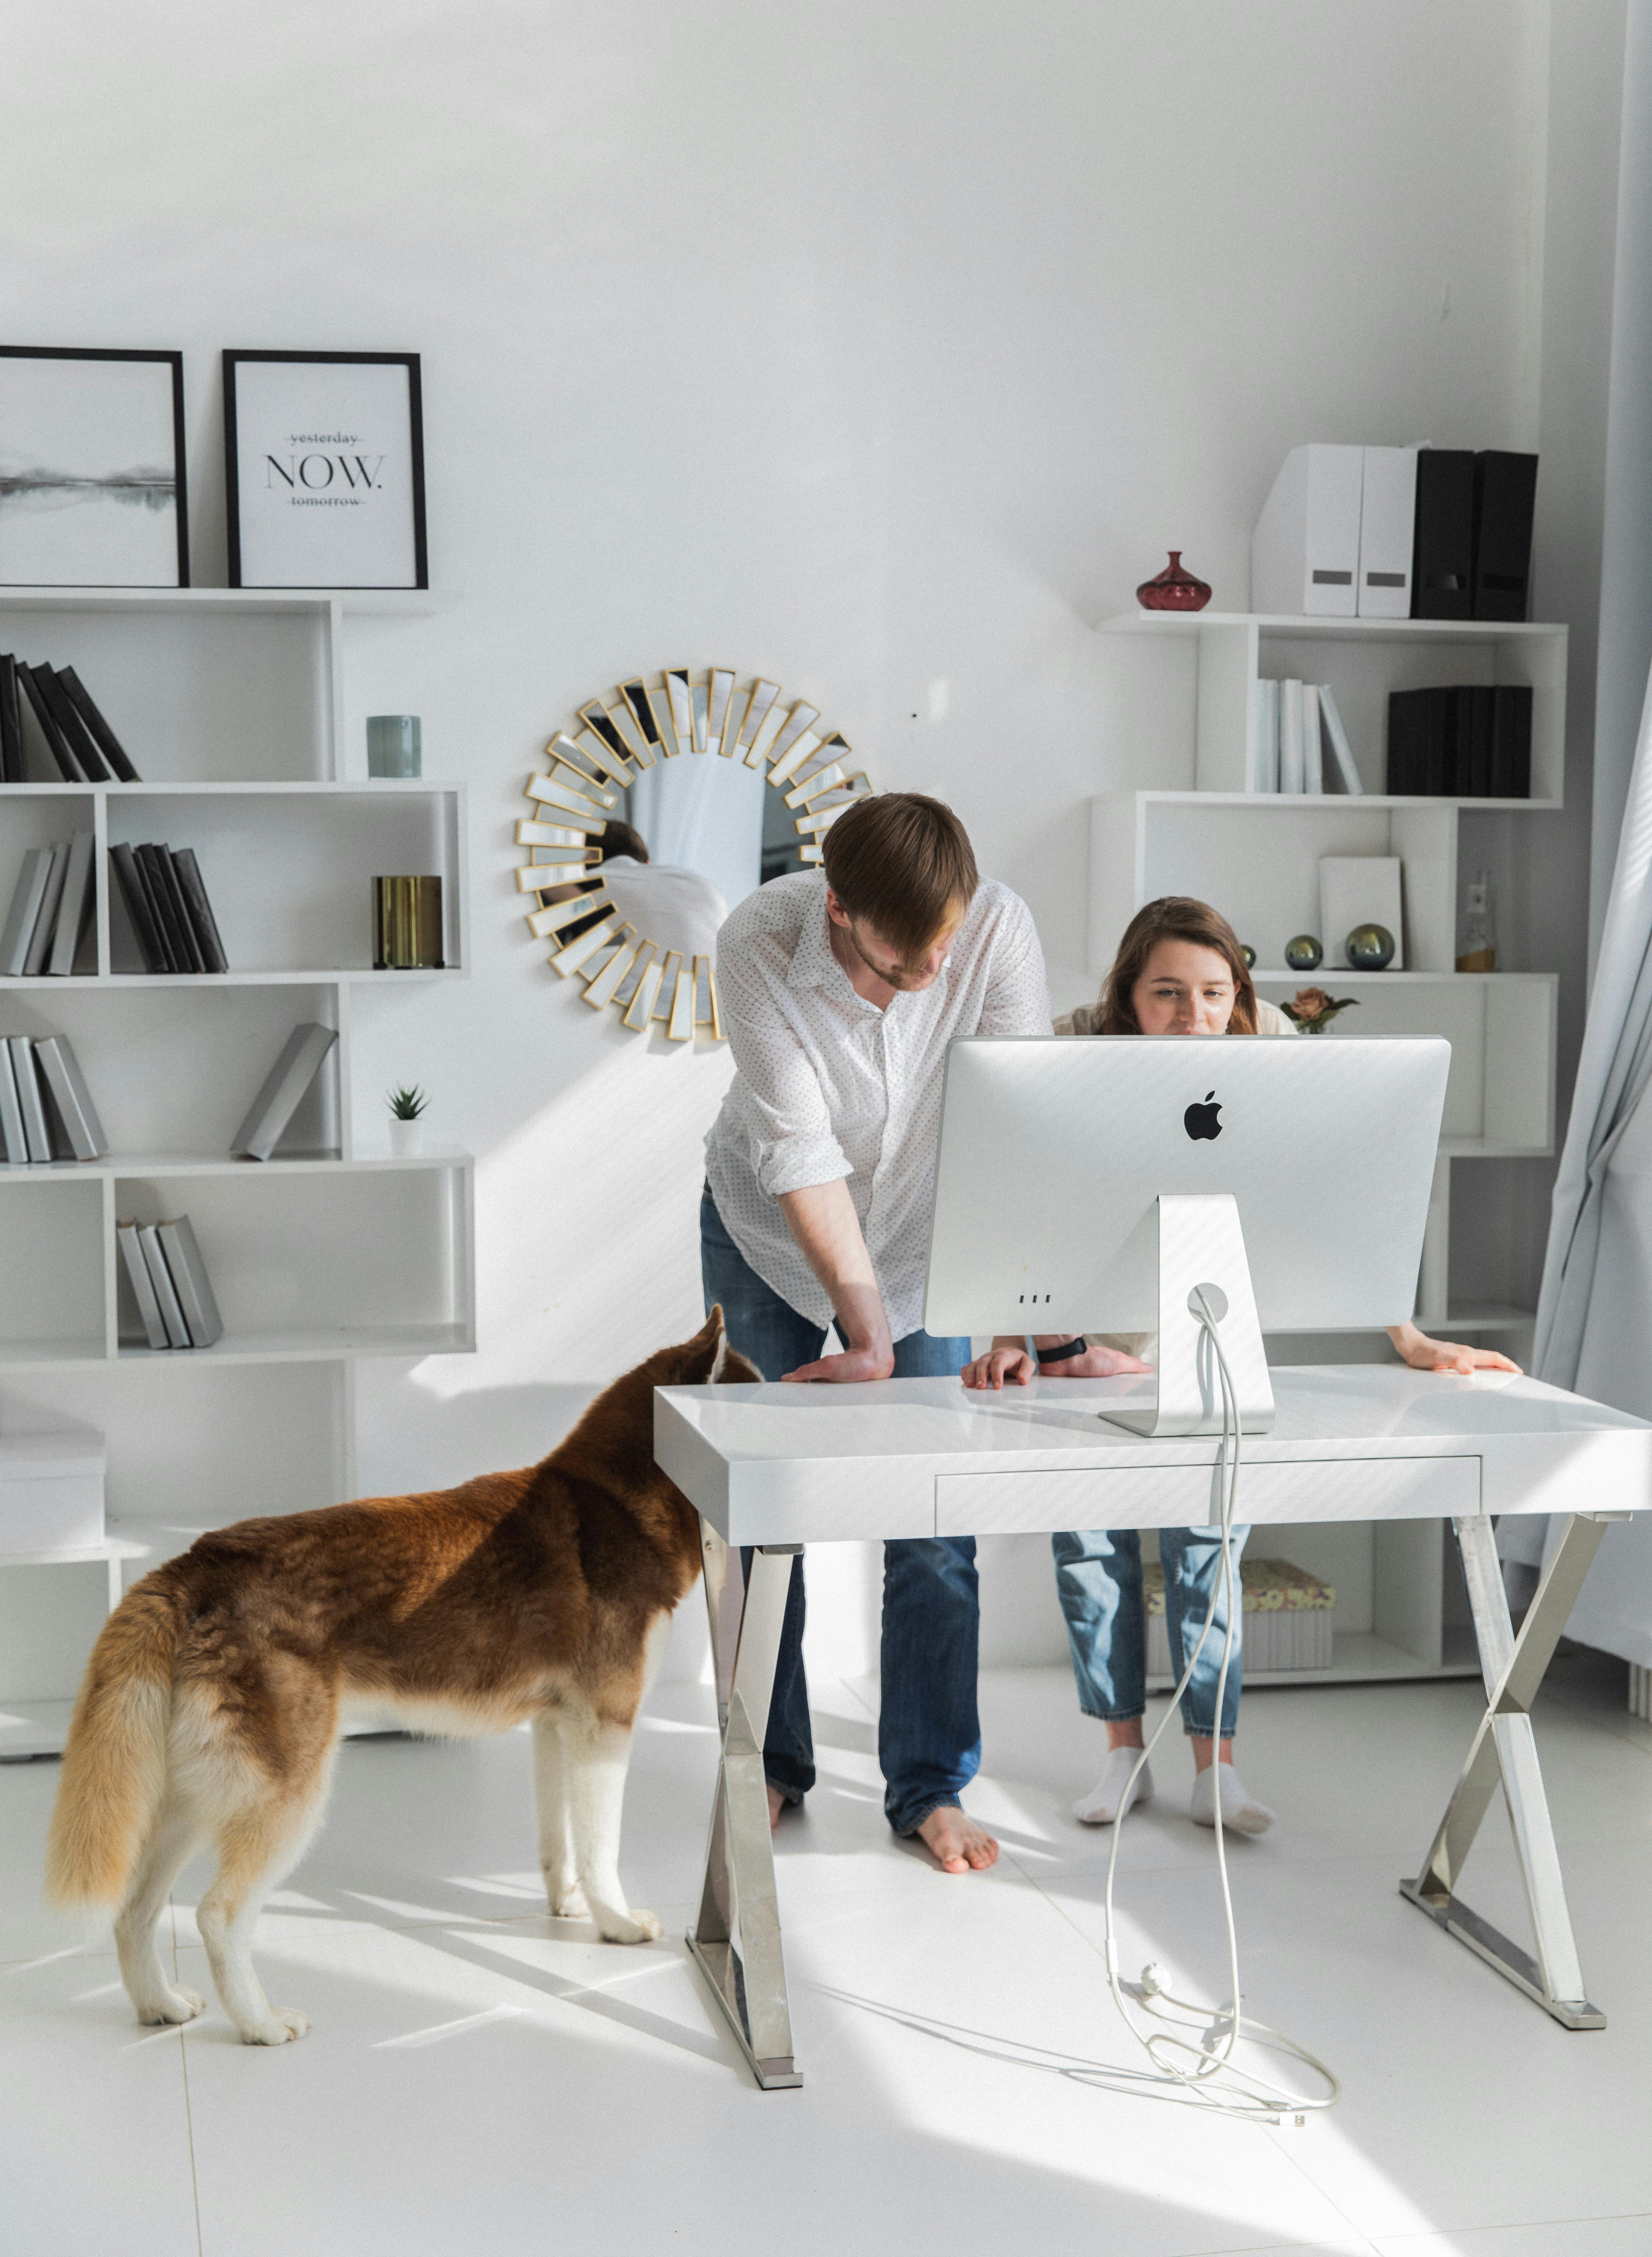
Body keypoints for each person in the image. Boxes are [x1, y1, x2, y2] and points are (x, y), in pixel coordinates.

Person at [963, 895, 1520, 1838]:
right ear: (1127, 997)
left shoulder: (1272, 1059)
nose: (1194, 1016)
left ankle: (1215, 1769)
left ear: (1242, 995)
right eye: (1169, 993)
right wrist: (1014, 1341)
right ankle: (1120, 1758)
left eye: (1215, 994)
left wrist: (1411, 1339)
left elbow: (1331, 1197)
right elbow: (1011, 1187)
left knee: (1209, 1546)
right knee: (1091, 1553)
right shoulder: (1070, 1051)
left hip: (1210, 1330)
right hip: (1083, 1349)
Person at [701, 791, 1053, 1874]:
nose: (925, 982)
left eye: (939, 954)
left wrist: (1007, 1315)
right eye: (902, 969)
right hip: (767, 1231)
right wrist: (860, 1332)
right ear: (840, 910)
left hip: (934, 1248)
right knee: (763, 1509)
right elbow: (796, 1148)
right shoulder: (756, 941)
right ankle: (767, 1762)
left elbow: (1017, 1120)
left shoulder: (992, 929)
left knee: (935, 1519)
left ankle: (928, 1784)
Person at [542, 818, 729, 961]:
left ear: (591, 854)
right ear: (647, 862)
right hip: (716, 996)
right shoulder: (700, 883)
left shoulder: (596, 880)